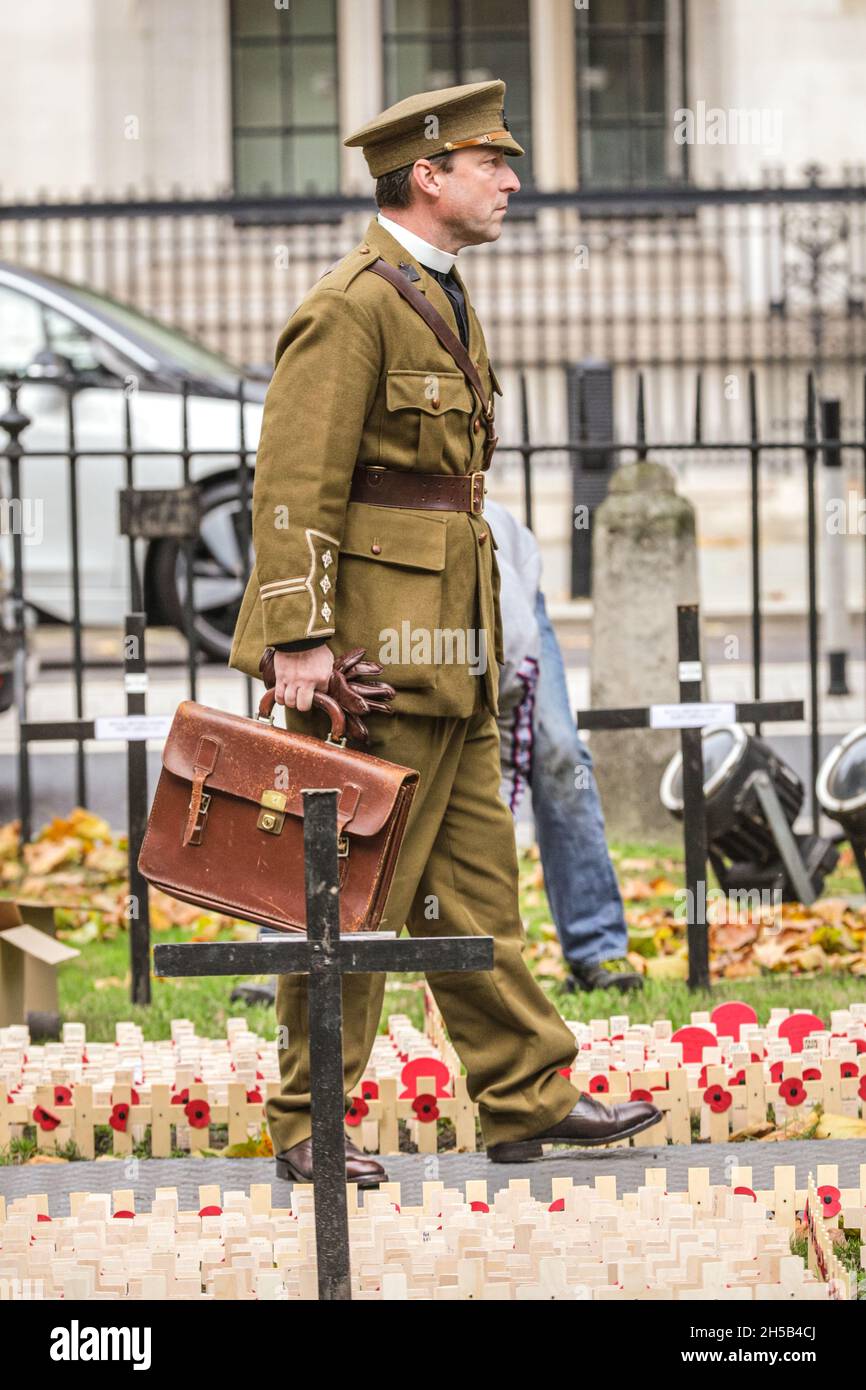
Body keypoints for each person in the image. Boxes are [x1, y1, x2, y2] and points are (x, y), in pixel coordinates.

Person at [230, 80, 661, 1186]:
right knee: (354, 893)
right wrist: (296, 639)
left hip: (452, 647)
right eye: (491, 164)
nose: (511, 181)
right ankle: (309, 1119)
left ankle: (522, 1095)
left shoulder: (438, 292)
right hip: (371, 663)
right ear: (428, 176)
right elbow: (293, 479)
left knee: (468, 891)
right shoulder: (353, 303)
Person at [485, 499, 643, 994]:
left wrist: (501, 805)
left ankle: (597, 948)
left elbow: (511, 738)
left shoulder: (507, 612)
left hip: (511, 613)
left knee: (559, 756)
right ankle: (299, 954)